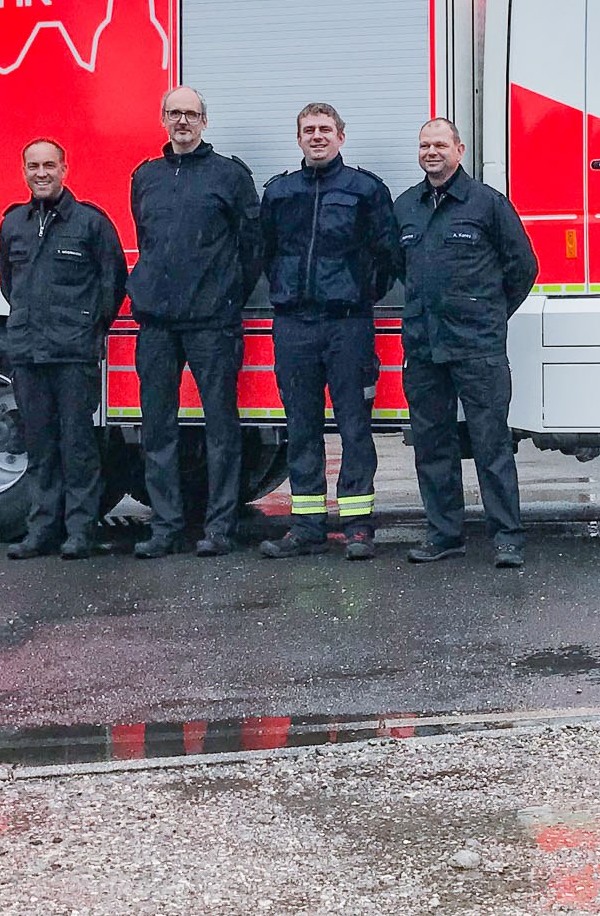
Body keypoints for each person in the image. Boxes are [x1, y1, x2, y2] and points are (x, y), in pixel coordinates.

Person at [256, 103, 400, 562]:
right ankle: (307, 527)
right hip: (294, 324)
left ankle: (357, 527)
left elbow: (387, 254)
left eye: (324, 129)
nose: (316, 136)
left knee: (355, 427)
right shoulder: (279, 192)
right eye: (308, 130)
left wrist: (358, 292)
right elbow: (265, 252)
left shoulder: (365, 189)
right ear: (298, 138)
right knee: (301, 428)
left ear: (341, 136)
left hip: (347, 324)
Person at [393, 117, 538, 568]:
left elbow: (523, 267)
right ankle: (444, 534)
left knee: (492, 445)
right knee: (432, 446)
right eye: (424, 145)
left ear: (459, 150)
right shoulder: (406, 206)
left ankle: (507, 538)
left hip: (478, 347)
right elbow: (400, 267)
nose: (431, 152)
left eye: (440, 144)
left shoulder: (487, 204)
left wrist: (489, 313)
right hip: (424, 347)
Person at [127, 86, 261, 559]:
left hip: (212, 323)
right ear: (163, 119)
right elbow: (146, 239)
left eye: (191, 114)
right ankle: (165, 528)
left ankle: (220, 527)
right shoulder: (146, 177)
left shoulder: (229, 175)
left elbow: (252, 246)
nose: (182, 121)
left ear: (205, 121)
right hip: (157, 325)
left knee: (221, 428)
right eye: (174, 113)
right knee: (157, 430)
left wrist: (226, 294)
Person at [0, 138, 128, 561]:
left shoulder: (90, 223)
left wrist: (87, 329)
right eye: (34, 166)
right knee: (39, 447)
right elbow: (8, 284)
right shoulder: (12, 224)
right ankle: (41, 531)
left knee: (78, 447)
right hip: (28, 354)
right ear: (24, 171)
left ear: (64, 169)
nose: (42, 173)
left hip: (74, 355)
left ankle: (80, 532)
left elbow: (112, 282)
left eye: (49, 165)